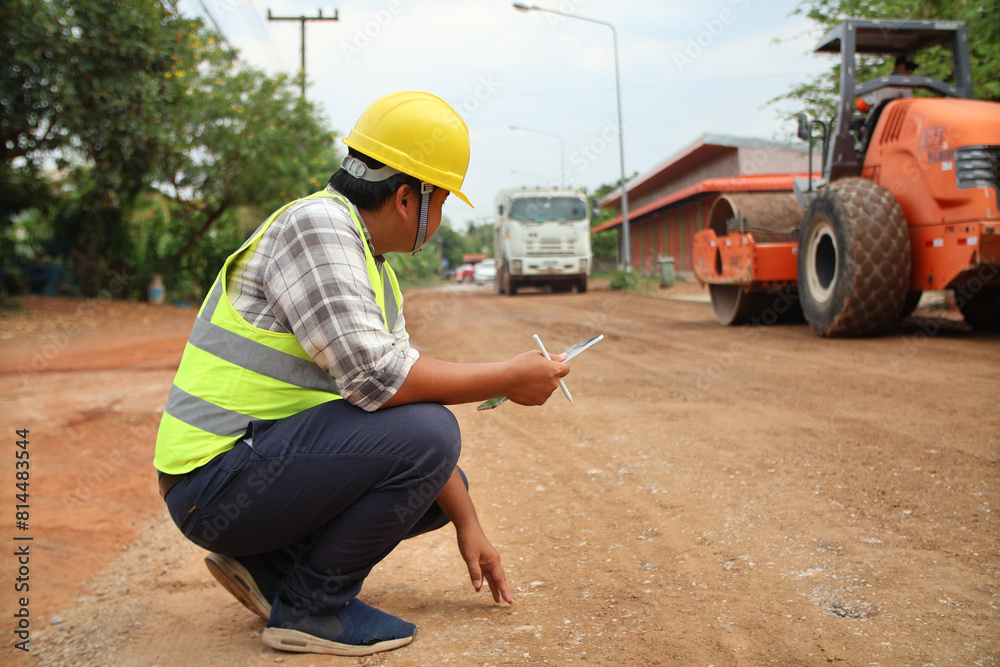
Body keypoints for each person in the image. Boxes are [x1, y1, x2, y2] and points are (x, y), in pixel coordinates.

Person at [153, 90, 570, 657]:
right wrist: (505, 378)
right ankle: (311, 608)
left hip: (245, 473)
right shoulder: (319, 227)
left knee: (443, 484)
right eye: (442, 202)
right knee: (432, 436)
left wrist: (469, 522)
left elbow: (395, 395)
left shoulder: (370, 266)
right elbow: (383, 381)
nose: (441, 220)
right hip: (212, 482)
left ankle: (268, 566)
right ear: (407, 198)